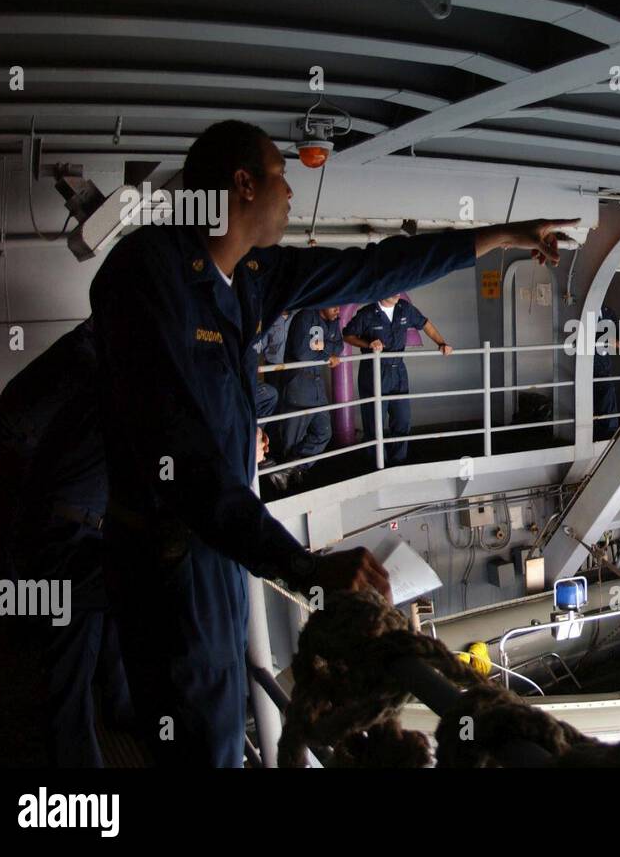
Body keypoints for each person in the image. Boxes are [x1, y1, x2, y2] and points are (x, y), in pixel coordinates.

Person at [87, 119, 572, 766]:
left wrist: (506, 237)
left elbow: (374, 271)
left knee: (220, 720)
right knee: (196, 731)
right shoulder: (151, 275)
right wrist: (301, 565)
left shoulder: (248, 276)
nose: (292, 193)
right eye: (281, 177)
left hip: (215, 543)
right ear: (243, 185)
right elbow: (182, 460)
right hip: (171, 552)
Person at [0, 320, 132, 767]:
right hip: (26, 455)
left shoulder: (95, 350)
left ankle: (112, 700)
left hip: (30, 457)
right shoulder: (93, 364)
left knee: (87, 593)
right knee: (73, 591)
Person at [343, 294, 453, 467]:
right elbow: (347, 335)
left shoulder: (404, 308)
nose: (397, 293)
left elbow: (425, 324)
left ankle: (398, 461)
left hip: (398, 371)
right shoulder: (367, 313)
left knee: (402, 419)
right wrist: (368, 344)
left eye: (398, 290)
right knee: (374, 422)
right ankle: (377, 464)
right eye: (392, 289)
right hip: (374, 371)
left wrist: (441, 343)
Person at [270, 306, 344, 491]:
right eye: (334, 306)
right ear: (323, 303)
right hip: (299, 383)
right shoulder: (305, 317)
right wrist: (328, 352)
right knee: (291, 439)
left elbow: (339, 346)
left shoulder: (331, 321)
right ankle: (285, 487)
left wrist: (324, 344)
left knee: (323, 432)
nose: (338, 310)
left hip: (315, 382)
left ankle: (289, 470)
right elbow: (303, 354)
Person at [593, 304, 620, 439]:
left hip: (603, 362)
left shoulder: (607, 310)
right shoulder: (584, 310)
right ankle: (602, 429)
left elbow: (618, 328)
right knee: (600, 394)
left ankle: (609, 429)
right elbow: (581, 335)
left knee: (607, 392)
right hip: (588, 362)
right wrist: (607, 340)